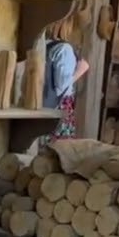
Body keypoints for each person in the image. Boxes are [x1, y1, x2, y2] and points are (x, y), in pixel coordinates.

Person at [41, 15, 90, 143]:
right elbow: (61, 86)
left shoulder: (44, 46)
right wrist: (80, 71)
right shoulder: (64, 49)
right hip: (58, 109)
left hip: (42, 107)